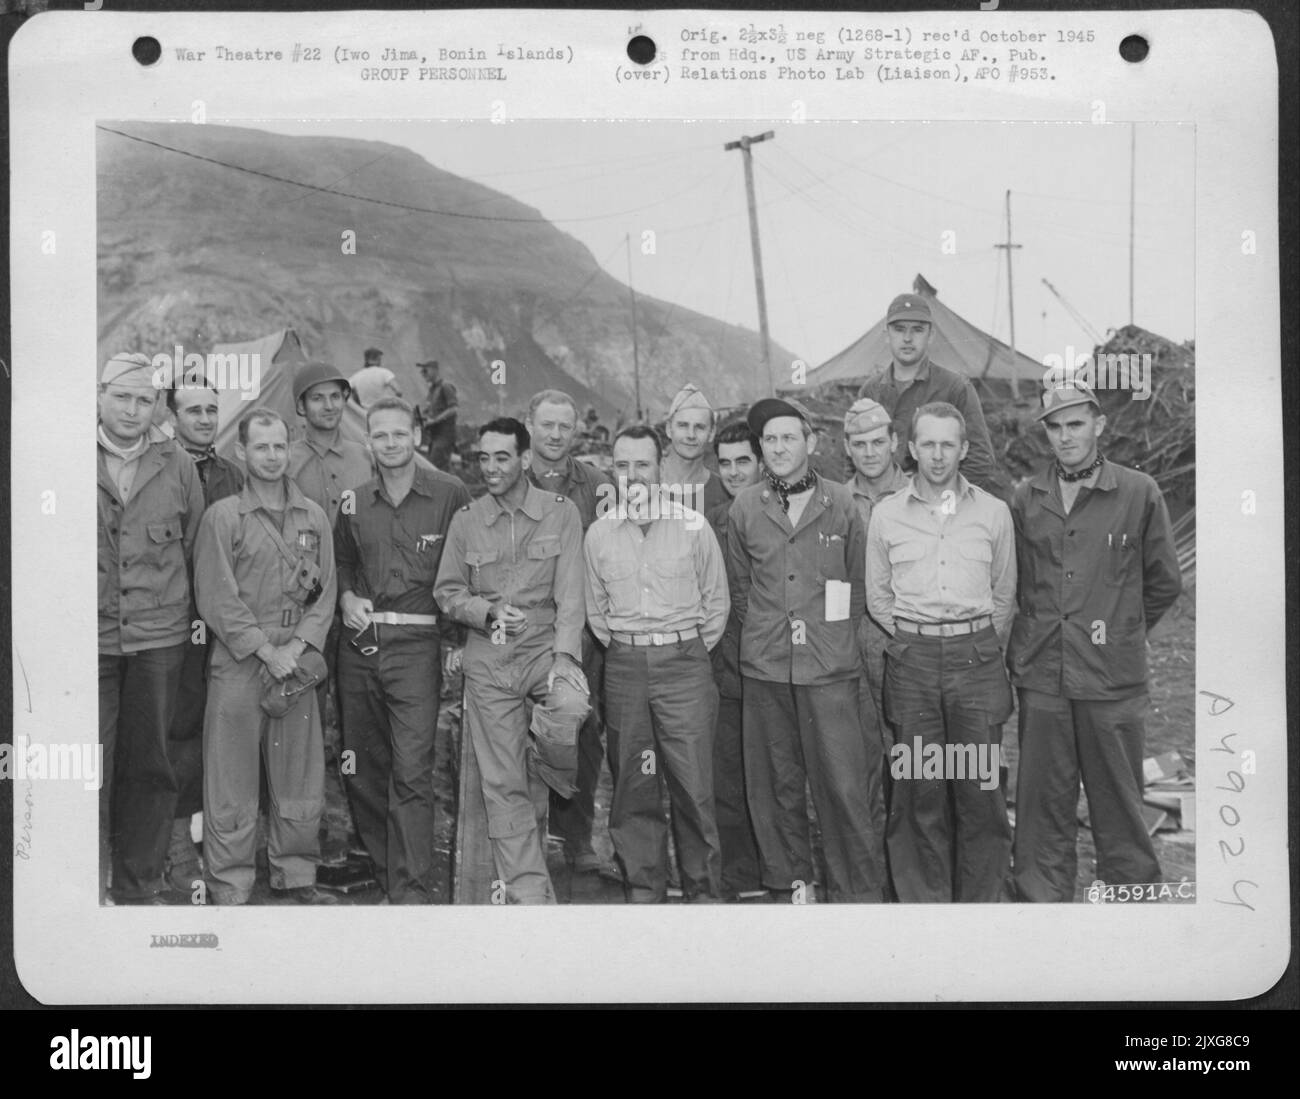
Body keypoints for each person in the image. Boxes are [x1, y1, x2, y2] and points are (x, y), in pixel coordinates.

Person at [1008, 381, 1182, 902]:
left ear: (1099, 425)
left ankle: (1132, 897)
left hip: (1112, 678)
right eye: (1055, 427)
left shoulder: (1137, 491)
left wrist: (1121, 631)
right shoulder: (1027, 496)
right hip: (1044, 675)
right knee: (1041, 800)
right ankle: (1042, 904)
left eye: (1076, 424)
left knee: (1119, 798)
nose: (1065, 437)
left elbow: (1164, 580)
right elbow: (1020, 583)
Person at [727, 396, 886, 903]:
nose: (777, 447)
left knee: (843, 788)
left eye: (788, 437)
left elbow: (858, 584)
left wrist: (832, 638)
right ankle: (793, 889)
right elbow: (739, 586)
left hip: (829, 669)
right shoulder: (746, 506)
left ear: (811, 443)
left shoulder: (841, 502)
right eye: (769, 440)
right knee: (775, 787)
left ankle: (856, 895)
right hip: (767, 668)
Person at [866, 401, 1017, 902]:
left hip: (976, 660)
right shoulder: (886, 516)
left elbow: (1003, 597)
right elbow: (878, 599)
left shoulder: (994, 513)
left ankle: (980, 911)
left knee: (980, 792)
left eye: (947, 444)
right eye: (927, 444)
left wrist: (966, 638)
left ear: (964, 449)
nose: (937, 455)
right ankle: (924, 911)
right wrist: (919, 636)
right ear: (910, 449)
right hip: (912, 662)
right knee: (917, 794)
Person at [433, 418, 587, 904]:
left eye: (502, 457)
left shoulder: (560, 513)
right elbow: (447, 592)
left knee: (570, 707)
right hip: (491, 655)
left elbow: (571, 593)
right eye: (484, 458)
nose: (492, 467)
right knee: (502, 782)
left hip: (546, 645)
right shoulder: (466, 520)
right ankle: (530, 893)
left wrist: (565, 655)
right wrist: (486, 611)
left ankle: (552, 767)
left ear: (524, 459)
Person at [194, 408, 339, 905]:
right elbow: (216, 594)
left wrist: (295, 647)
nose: (273, 457)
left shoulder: (314, 516)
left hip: (295, 660)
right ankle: (231, 883)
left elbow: (326, 592)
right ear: (242, 452)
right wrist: (263, 649)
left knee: (299, 773)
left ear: (289, 449)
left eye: (280, 446)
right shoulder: (224, 517)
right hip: (239, 662)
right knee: (230, 777)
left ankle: (296, 875)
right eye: (262, 447)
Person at [585, 425, 730, 903]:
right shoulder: (600, 534)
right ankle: (643, 889)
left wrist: (679, 648)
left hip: (685, 664)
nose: (633, 476)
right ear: (613, 470)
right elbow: (596, 611)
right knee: (632, 783)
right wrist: (633, 645)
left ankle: (702, 892)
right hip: (625, 664)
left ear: (660, 468)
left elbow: (716, 604)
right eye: (622, 466)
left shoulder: (694, 527)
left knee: (693, 784)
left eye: (642, 465)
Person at [334, 397, 470, 903]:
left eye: (399, 433)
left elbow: (467, 567)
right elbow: (342, 563)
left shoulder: (450, 493)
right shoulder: (353, 501)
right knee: (364, 765)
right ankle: (386, 861)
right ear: (367, 442)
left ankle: (409, 889)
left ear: (416, 435)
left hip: (417, 643)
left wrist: (456, 641)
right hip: (361, 645)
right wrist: (347, 595)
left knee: (412, 766)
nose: (390, 443)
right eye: (380, 435)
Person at [97, 353, 205, 904]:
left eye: (144, 400)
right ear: (99, 395)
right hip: (87, 640)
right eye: (122, 396)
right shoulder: (67, 460)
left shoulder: (178, 465)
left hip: (158, 641)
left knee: (150, 765)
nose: (132, 410)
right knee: (87, 763)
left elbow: (193, 552)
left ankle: (136, 887)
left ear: (157, 407)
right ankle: (79, 887)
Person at [525, 388, 615, 874]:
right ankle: (531, 839)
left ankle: (578, 839)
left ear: (575, 430)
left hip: (582, 636)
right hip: (527, 632)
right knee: (527, 732)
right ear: (530, 425)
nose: (556, 434)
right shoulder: (512, 480)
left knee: (582, 731)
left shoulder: (599, 485)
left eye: (565, 426)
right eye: (547, 424)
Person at [162, 376, 246, 892]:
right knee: (177, 731)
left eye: (212, 410)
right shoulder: (161, 469)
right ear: (173, 417)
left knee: (226, 730)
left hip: (226, 624)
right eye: (193, 410)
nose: (205, 419)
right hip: (171, 624)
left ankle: (223, 843)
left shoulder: (233, 476)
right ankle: (172, 846)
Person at [857, 293, 1010, 498]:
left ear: (931, 335)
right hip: (881, 509)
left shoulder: (955, 388)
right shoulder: (871, 391)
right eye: (899, 329)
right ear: (887, 335)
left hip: (936, 510)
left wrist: (939, 502)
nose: (908, 338)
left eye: (918, 330)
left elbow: (979, 461)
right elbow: (853, 458)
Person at [705, 420, 766, 900]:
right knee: (729, 773)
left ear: (761, 460)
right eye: (724, 463)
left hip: (784, 664)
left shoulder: (784, 512)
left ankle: (785, 871)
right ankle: (741, 875)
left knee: (779, 775)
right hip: (727, 666)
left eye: (742, 460)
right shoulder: (713, 520)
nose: (732, 472)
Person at [842, 398, 910, 789]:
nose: (869, 452)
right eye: (859, 443)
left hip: (902, 640)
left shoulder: (917, 495)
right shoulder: (835, 501)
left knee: (910, 749)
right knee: (862, 755)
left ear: (894, 442)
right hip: (852, 641)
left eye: (877, 442)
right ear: (846, 448)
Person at [660, 383, 729, 515]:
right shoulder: (643, 482)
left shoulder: (723, 492)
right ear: (669, 429)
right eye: (683, 425)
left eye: (700, 427)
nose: (691, 435)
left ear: (712, 433)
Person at [417, 359, 459, 470]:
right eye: (422, 371)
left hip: (445, 436)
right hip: (434, 436)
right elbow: (430, 410)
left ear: (434, 370)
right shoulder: (432, 390)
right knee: (436, 467)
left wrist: (435, 420)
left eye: (425, 370)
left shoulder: (446, 387)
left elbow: (453, 409)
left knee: (435, 468)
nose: (423, 374)